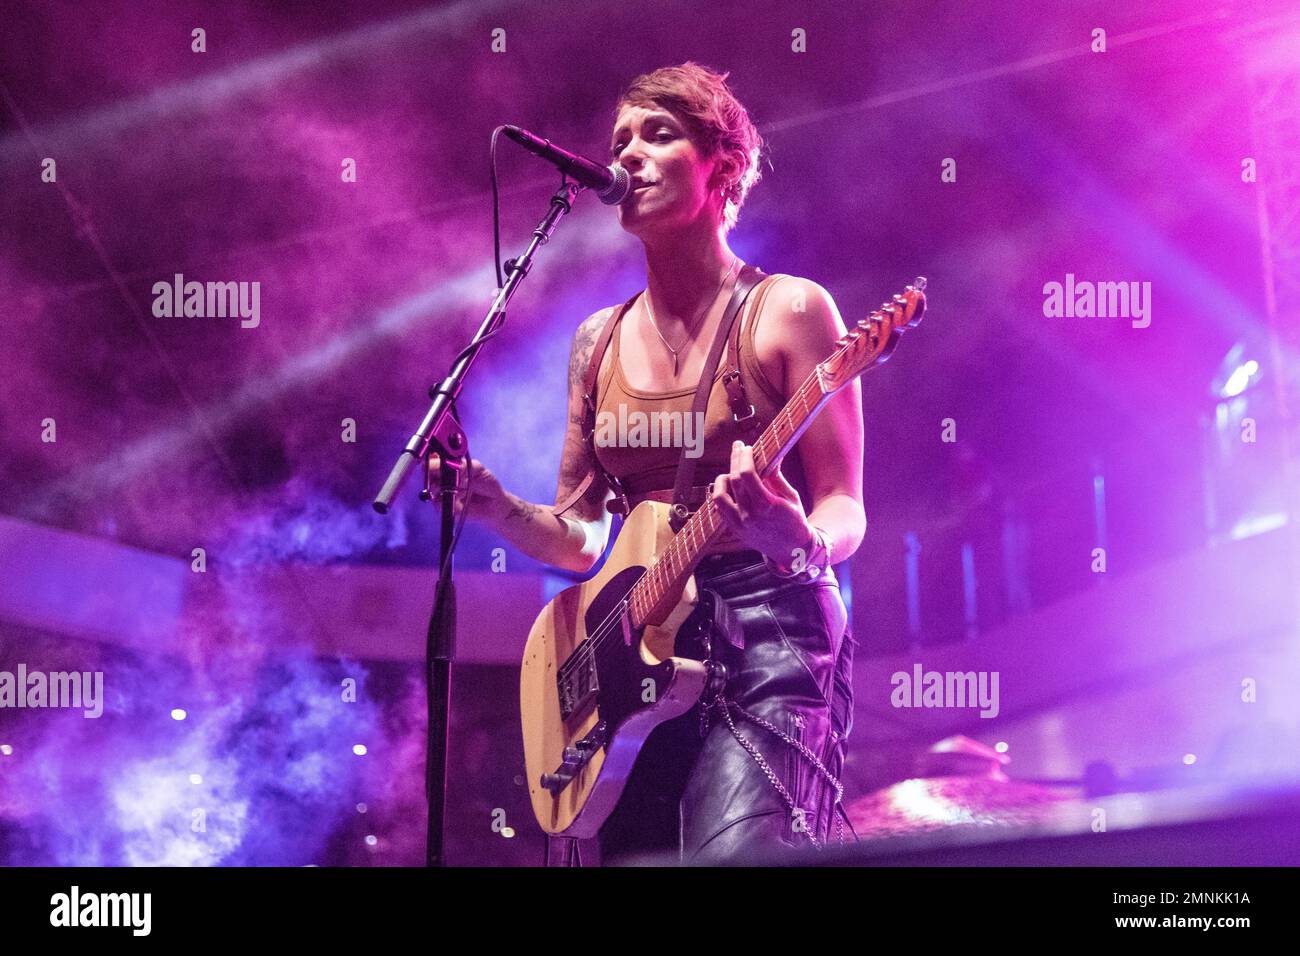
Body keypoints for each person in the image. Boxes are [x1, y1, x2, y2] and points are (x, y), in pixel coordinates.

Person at [430, 63, 865, 864]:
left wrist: (794, 537)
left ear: (721, 165)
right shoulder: (597, 341)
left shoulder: (793, 309)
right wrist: (491, 505)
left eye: (658, 135)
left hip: (765, 624)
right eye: (620, 139)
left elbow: (846, 506)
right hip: (639, 640)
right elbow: (579, 539)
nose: (627, 155)